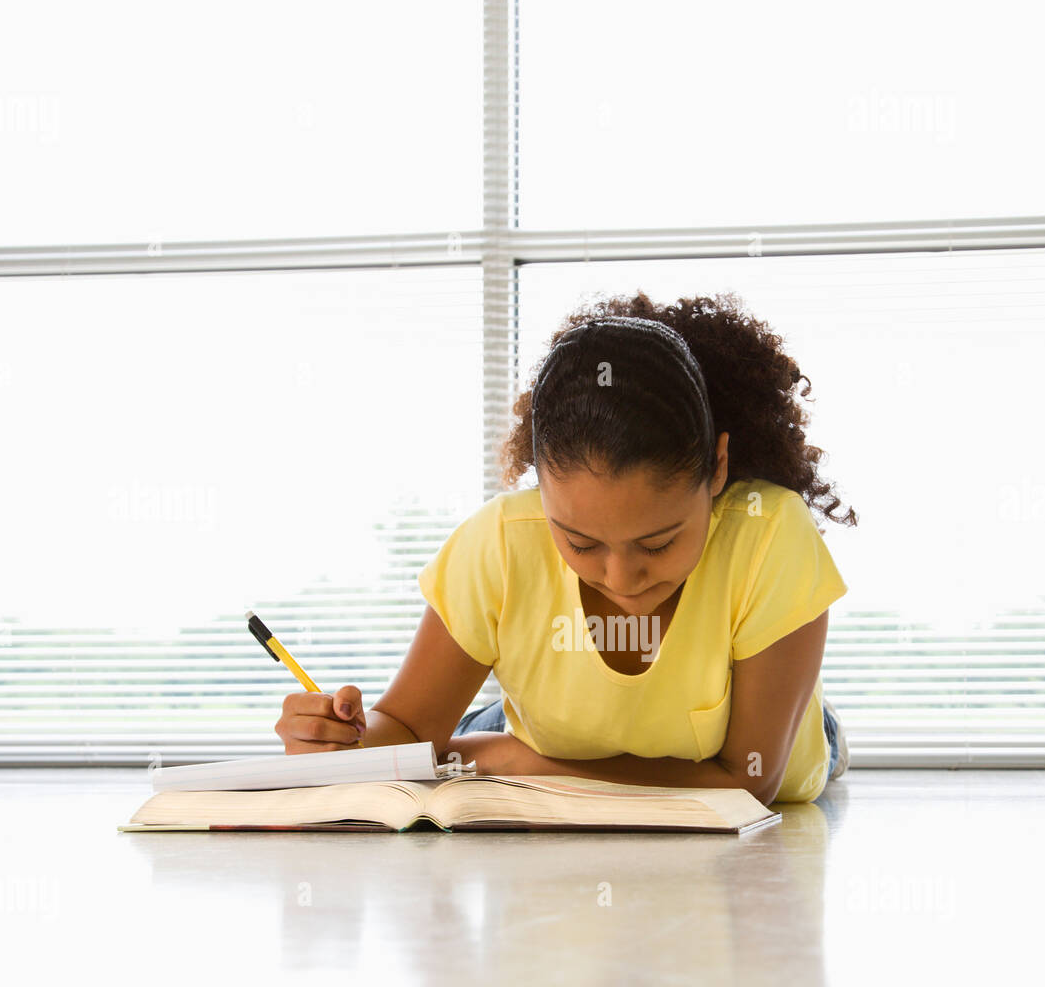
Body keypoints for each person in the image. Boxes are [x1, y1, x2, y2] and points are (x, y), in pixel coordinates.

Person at [274, 291, 857, 803]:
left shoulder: (769, 532)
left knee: (501, 737)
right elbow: (403, 728)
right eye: (579, 542)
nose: (623, 578)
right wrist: (339, 739)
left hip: (785, 748)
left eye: (658, 543)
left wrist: (518, 761)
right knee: (497, 729)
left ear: (718, 470)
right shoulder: (501, 542)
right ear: (540, 489)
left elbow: (746, 781)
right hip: (541, 725)